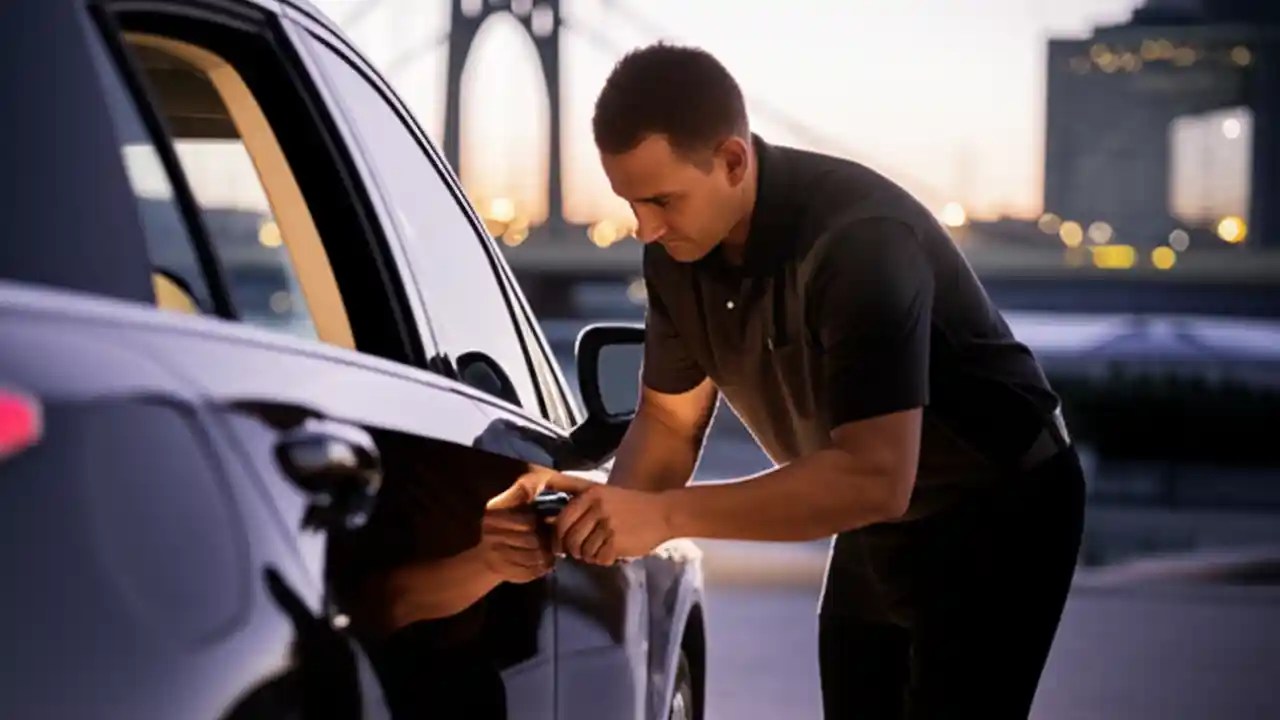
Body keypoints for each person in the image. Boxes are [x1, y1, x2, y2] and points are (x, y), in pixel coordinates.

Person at [536, 43, 1086, 718]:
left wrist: (667, 515)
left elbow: (876, 477)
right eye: (631, 202)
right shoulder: (675, 253)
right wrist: (602, 528)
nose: (646, 228)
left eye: (663, 200)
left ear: (732, 161)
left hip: (999, 504)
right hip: (869, 507)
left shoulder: (859, 240)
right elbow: (670, 424)